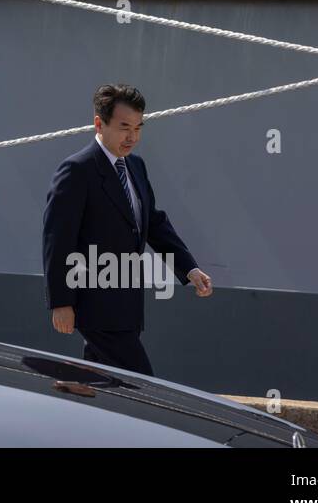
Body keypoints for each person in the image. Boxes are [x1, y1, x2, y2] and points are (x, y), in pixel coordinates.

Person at [42, 84, 213, 375]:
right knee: (141, 385)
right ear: (99, 123)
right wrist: (61, 303)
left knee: (104, 388)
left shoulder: (135, 166)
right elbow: (58, 239)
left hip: (127, 306)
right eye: (124, 127)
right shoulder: (77, 170)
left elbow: (153, 223)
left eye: (138, 127)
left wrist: (188, 269)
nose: (132, 136)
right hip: (96, 306)